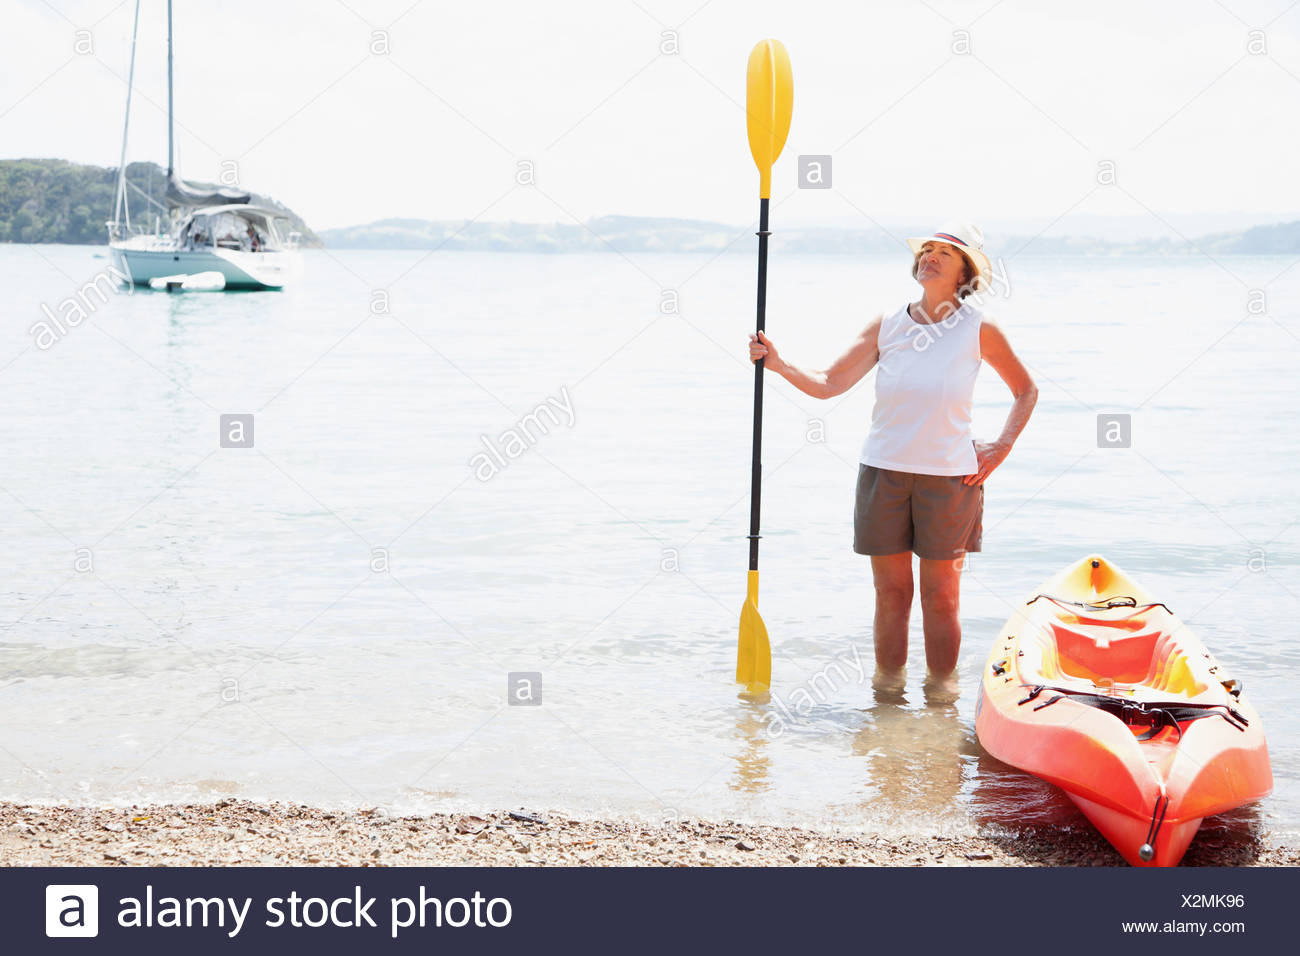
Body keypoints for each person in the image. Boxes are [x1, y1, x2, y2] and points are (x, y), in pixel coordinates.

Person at [747, 220, 1037, 698]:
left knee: (941, 597)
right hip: (883, 473)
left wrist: (1000, 446)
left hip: (950, 479)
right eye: (927, 249)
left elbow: (1025, 391)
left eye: (945, 252)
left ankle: (942, 699)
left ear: (964, 270)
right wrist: (777, 363)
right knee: (891, 595)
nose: (931, 256)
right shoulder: (888, 325)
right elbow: (828, 384)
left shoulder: (978, 329)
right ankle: (887, 698)